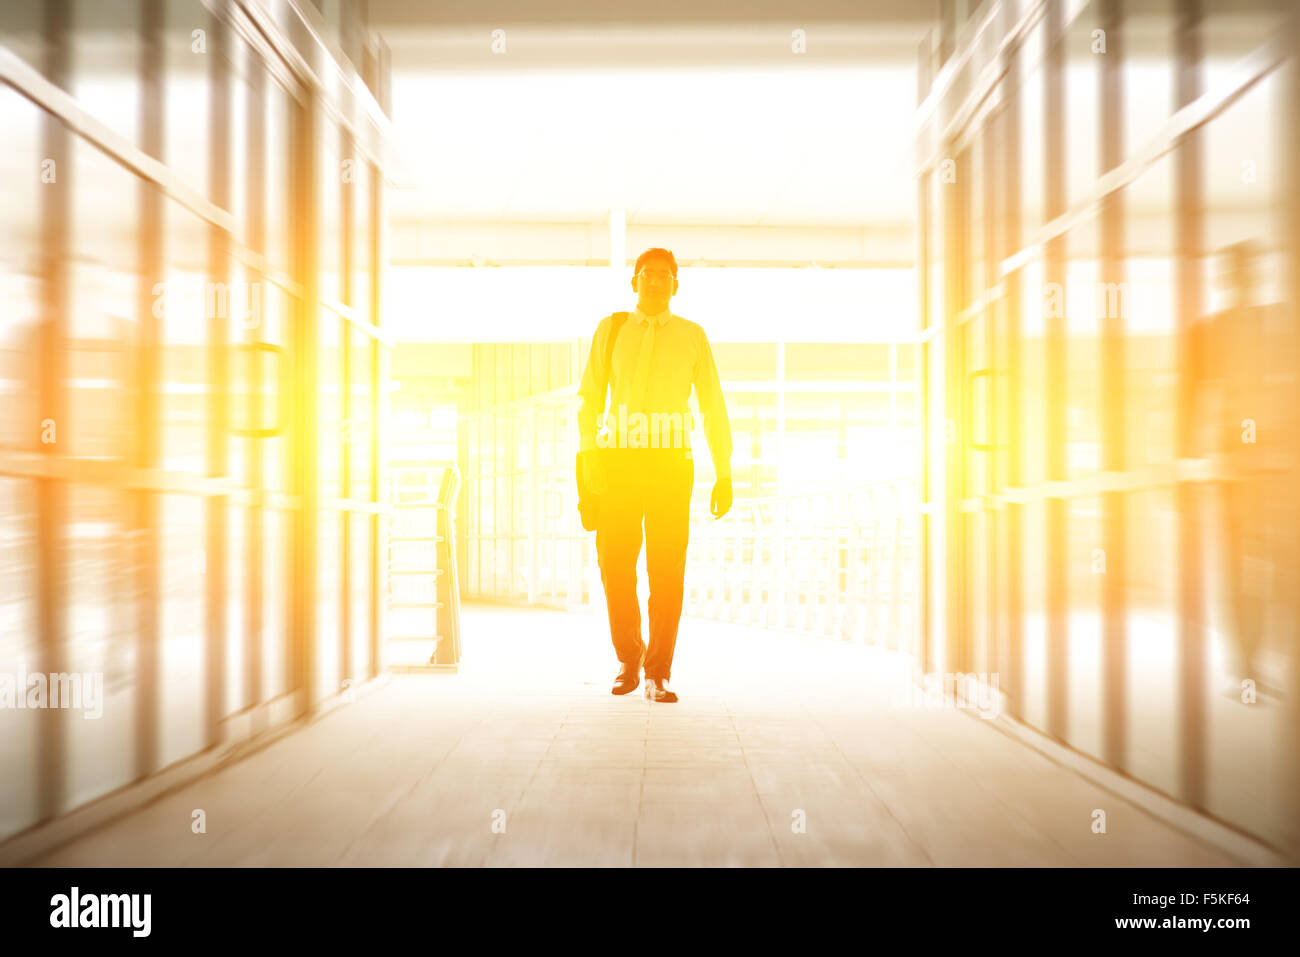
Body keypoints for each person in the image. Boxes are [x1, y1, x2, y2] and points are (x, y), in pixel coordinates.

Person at [576, 248, 732, 702]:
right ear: (635, 282)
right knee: (614, 565)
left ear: (676, 285)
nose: (656, 282)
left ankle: (658, 672)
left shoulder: (692, 336)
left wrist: (724, 469)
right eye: (648, 275)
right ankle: (629, 657)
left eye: (665, 276)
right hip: (618, 461)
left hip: (669, 463)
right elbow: (589, 398)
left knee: (667, 569)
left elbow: (712, 406)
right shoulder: (611, 330)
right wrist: (589, 459)